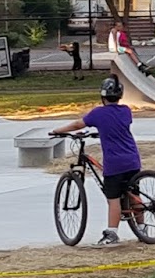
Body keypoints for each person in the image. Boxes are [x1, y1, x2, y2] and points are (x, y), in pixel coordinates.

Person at [50, 77, 143, 246]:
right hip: (132, 159)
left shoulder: (98, 113)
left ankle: (112, 234)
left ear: (102, 96)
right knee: (134, 194)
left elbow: (78, 124)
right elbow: (116, 126)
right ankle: (142, 228)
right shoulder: (126, 111)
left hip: (115, 163)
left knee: (113, 198)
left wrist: (58, 130)